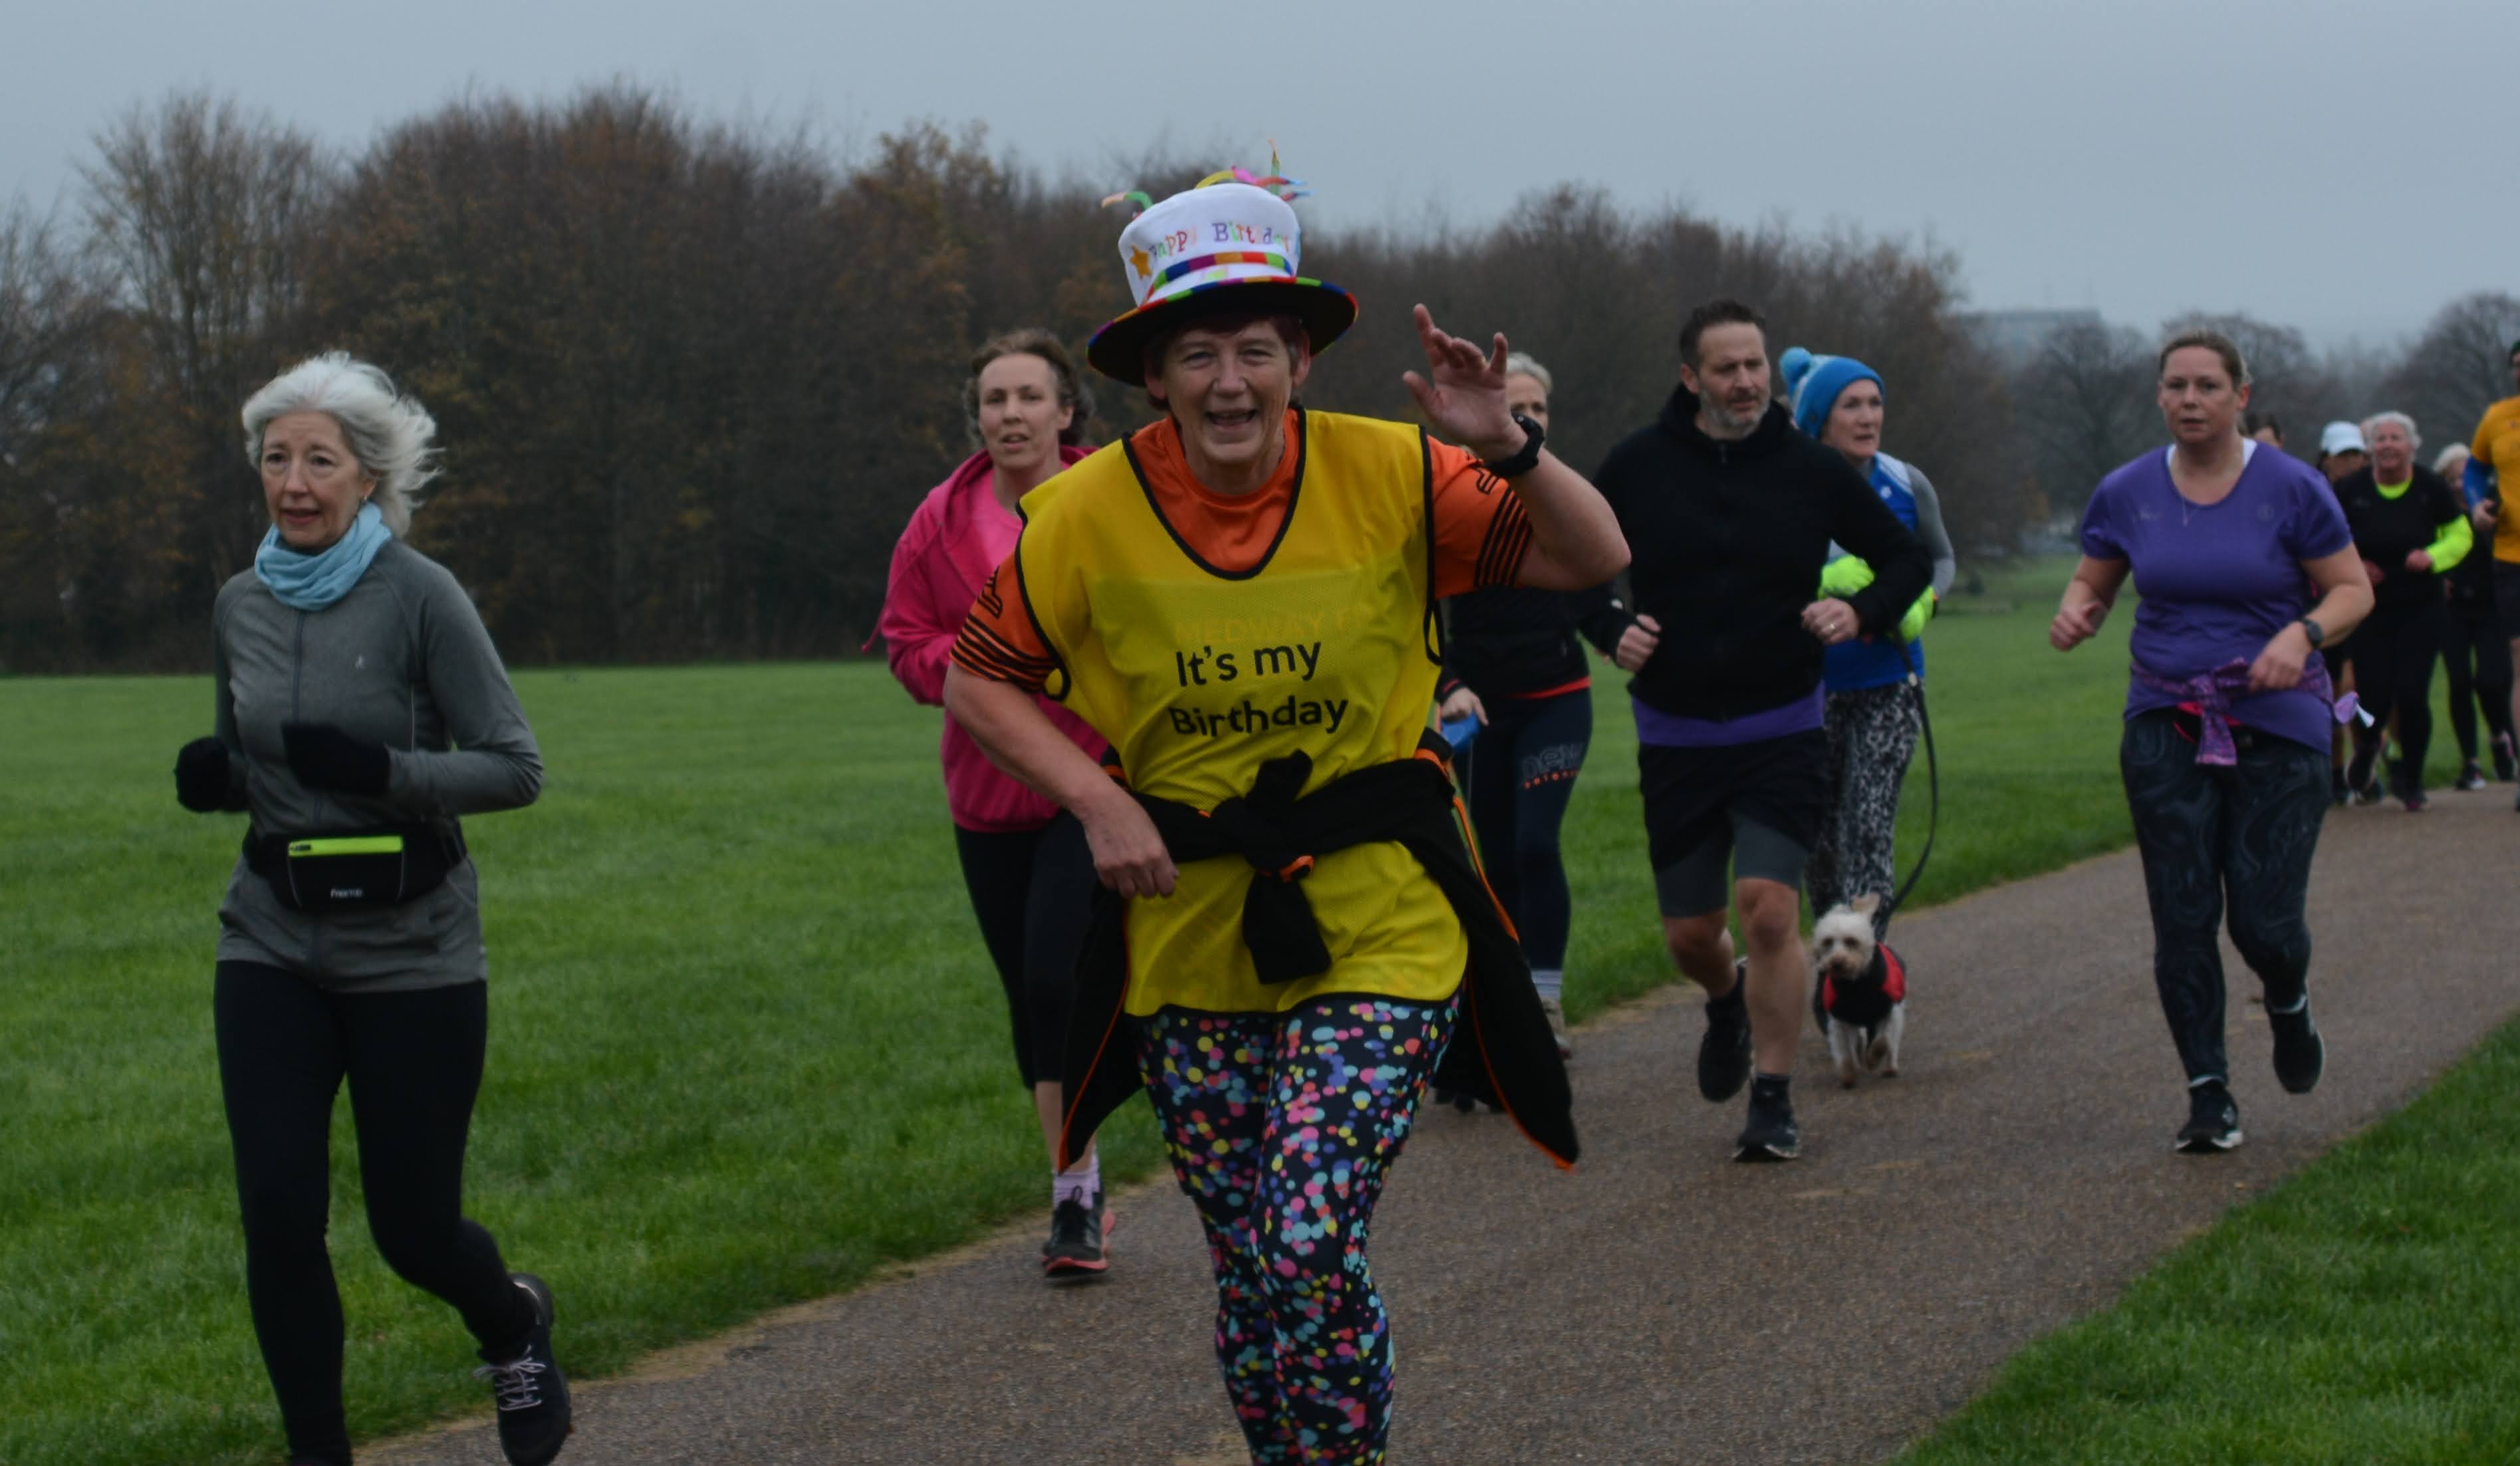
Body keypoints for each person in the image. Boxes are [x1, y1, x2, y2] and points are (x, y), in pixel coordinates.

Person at [943, 169, 1626, 1464]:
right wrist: (1092, 799)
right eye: (1194, 352)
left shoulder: (1394, 473)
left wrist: (1510, 447)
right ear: (1152, 374)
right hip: (1189, 937)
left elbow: (1590, 556)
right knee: (1248, 1270)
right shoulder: (1080, 516)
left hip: (1380, 915)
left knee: (1304, 1233)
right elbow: (979, 675)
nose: (1227, 382)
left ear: (1299, 357)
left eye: (1254, 349)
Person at [171, 354, 568, 1466]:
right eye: (276, 459)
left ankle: (512, 1321)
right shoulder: (237, 604)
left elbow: (513, 768)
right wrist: (222, 782)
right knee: (280, 1212)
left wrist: (384, 769)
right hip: (271, 936)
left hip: (413, 946)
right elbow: (263, 767)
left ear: (368, 477)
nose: (293, 482)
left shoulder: (422, 595)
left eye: (319, 461)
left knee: (414, 1232)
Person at [1591, 300, 1933, 1162]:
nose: (1744, 382)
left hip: (1782, 725)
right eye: (1726, 369)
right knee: (1691, 934)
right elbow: (1560, 556)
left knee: (1770, 911)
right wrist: (1605, 624)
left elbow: (1907, 558)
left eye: (1754, 365)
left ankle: (1772, 1098)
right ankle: (1722, 1000)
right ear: (1690, 378)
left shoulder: (1810, 468)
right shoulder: (1635, 467)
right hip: (1674, 731)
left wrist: (1858, 611)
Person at [2050, 329, 2372, 1154]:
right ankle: (2208, 1093)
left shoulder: (2293, 489)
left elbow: (2351, 591)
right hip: (2165, 716)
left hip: (2278, 721)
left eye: (2206, 386)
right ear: (2158, 397)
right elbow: (2096, 575)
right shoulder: (2126, 491)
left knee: (2262, 924)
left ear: (2239, 395)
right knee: (2183, 914)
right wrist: (2078, 608)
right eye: (2175, 386)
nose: (2189, 400)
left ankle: (2288, 1000)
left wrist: (2300, 635)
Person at [876, 329, 1114, 1279]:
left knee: (1060, 975)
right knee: (1028, 991)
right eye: (994, 399)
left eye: (1028, 397)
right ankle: (1072, 1190)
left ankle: (1083, 1186)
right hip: (986, 795)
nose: (1010, 414)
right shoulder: (938, 522)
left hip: (1093, 779)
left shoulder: (1116, 499)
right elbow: (904, 641)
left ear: (1066, 412)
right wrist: (978, 669)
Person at [1432, 352, 1627, 1057]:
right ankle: (1503, 1007)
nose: (1529, 419)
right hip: (1479, 711)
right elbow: (1414, 612)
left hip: (1557, 699)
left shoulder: (1560, 493)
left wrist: (1617, 632)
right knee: (1496, 863)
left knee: (1536, 844)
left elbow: (1591, 588)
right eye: (1516, 406)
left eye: (1539, 409)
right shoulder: (1449, 496)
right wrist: (1448, 685)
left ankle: (1545, 1002)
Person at [1779, 346, 1954, 939]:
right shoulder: (1787, 486)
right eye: (1850, 405)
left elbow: (1942, 558)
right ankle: (1835, 946)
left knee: (1871, 823)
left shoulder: (1907, 482)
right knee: (1820, 837)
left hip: (1890, 682)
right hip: (1810, 687)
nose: (1867, 416)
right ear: (1819, 418)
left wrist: (1928, 600)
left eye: (1875, 402)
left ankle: (1866, 964)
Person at [2331, 412, 2471, 810]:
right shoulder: (2350, 489)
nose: (2388, 445)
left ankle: (2411, 779)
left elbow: (2461, 535)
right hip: (2369, 608)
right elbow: (2328, 534)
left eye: (2396, 438)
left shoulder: (2431, 487)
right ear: (2370, 449)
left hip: (2420, 607)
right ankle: (2370, 745)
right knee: (2369, 693)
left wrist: (2432, 556)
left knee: (2411, 694)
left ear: (2412, 446)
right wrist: (2355, 565)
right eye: (2380, 439)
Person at [2436, 443, 2515, 788]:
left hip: (2493, 608)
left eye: (2461, 477)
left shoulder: (2495, 508)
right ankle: (2470, 762)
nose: (2457, 485)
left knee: (2491, 680)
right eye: (2450, 479)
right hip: (2453, 611)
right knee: (2458, 683)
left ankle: (2500, 737)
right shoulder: (2438, 514)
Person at [2462, 338, 2520, 812]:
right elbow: (2475, 471)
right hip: (2512, 555)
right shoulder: (2498, 416)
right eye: (2517, 365)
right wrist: (2478, 505)